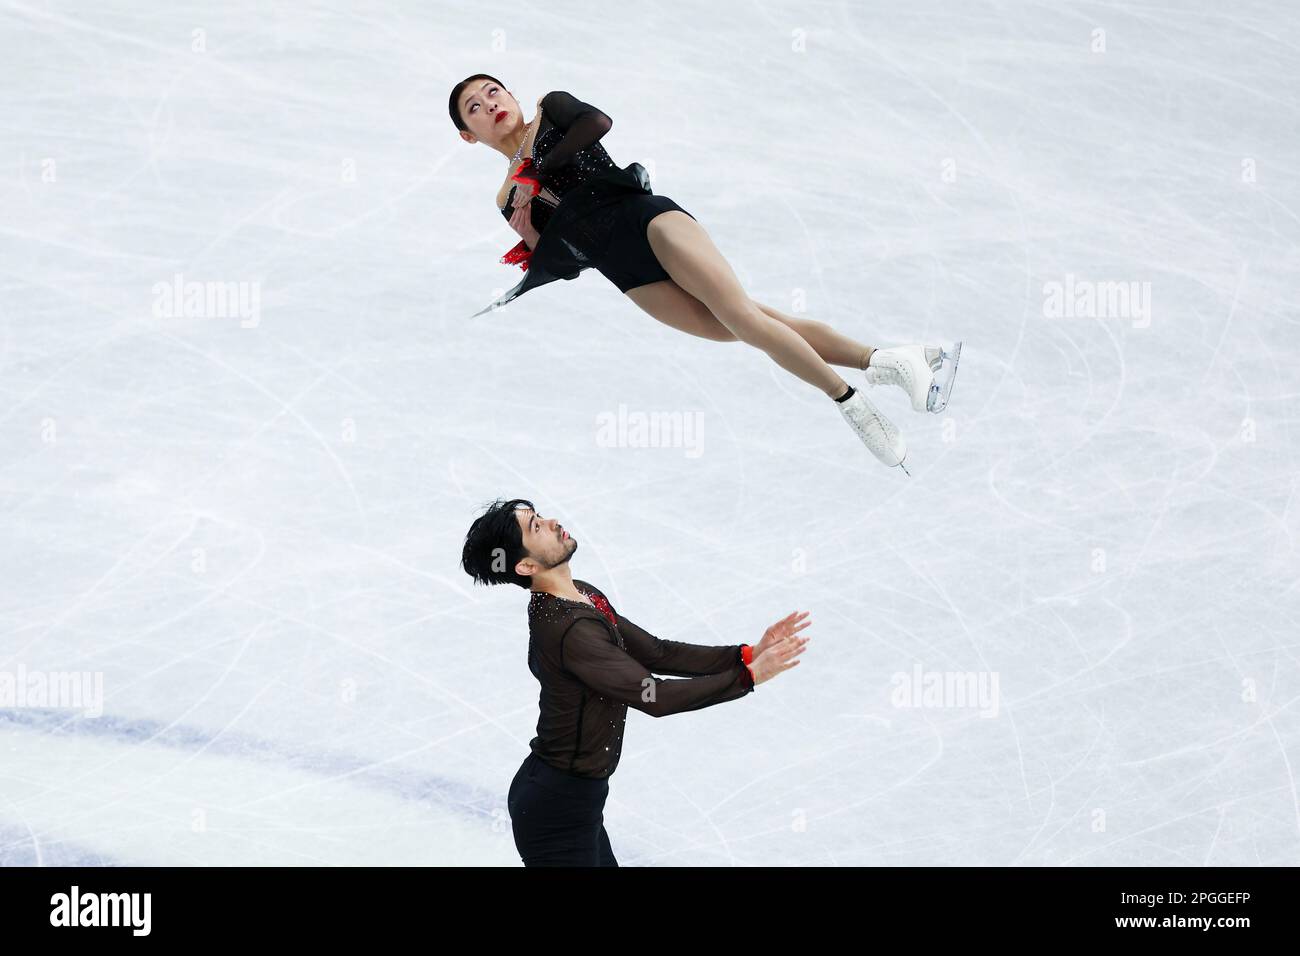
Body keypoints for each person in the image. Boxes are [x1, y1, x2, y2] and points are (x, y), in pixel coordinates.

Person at [449, 74, 962, 472]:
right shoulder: (506, 197)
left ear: (511, 94)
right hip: (625, 272)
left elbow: (598, 124)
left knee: (743, 317)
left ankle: (852, 404)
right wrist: (535, 241)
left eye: (494, 91)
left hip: (649, 222)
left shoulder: (551, 110)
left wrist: (539, 168)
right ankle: (894, 362)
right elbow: (570, 259)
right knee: (749, 323)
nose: (491, 104)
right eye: (475, 107)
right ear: (468, 135)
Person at [461, 497, 810, 866]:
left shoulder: (583, 596)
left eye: (541, 517)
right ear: (526, 564)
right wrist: (748, 678)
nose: (551, 522)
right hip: (556, 811)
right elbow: (654, 696)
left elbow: (658, 652)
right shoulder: (570, 629)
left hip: (575, 801)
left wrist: (746, 654)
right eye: (536, 527)